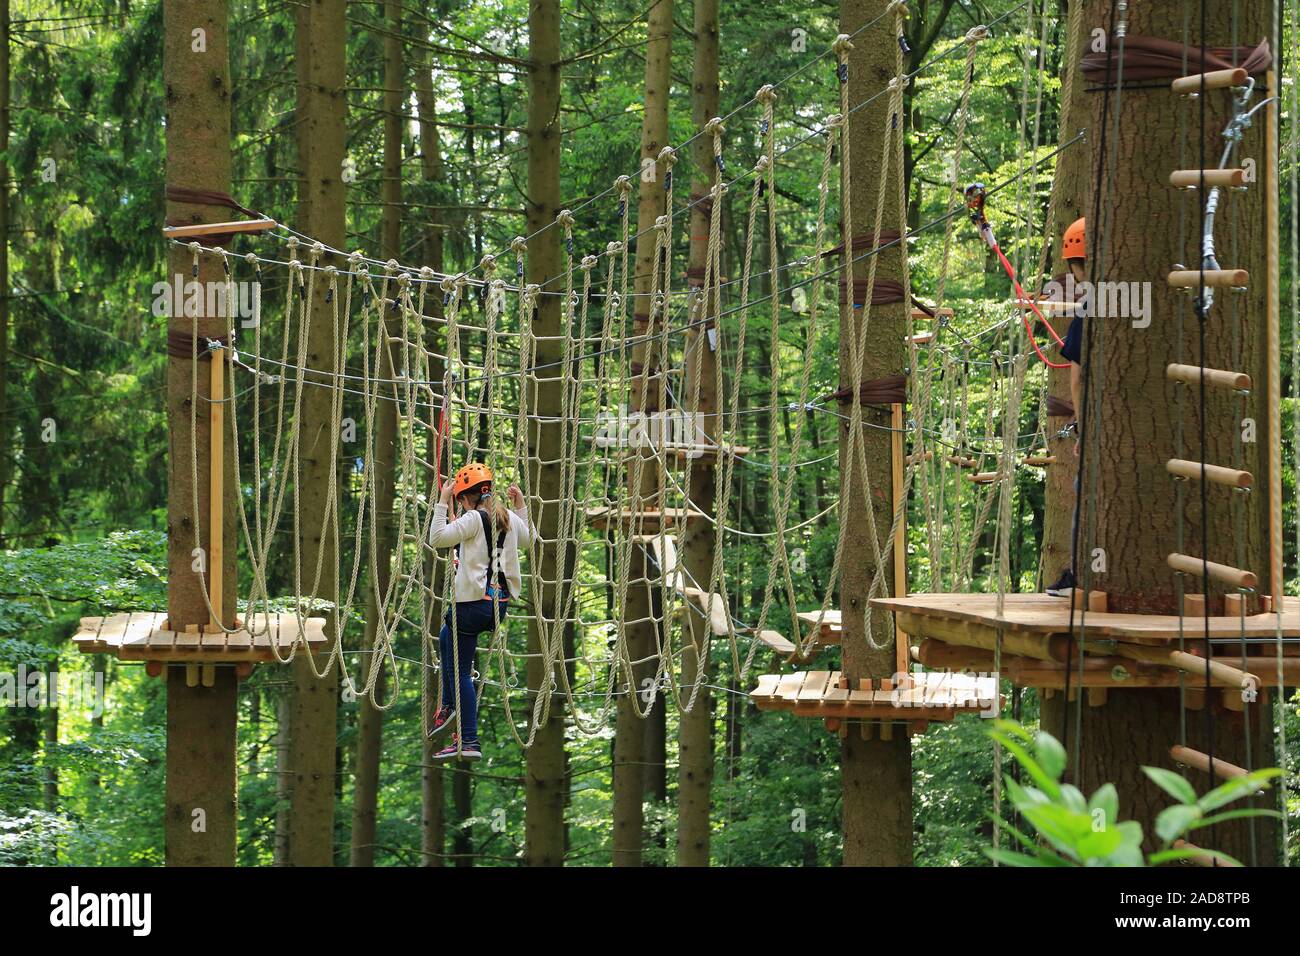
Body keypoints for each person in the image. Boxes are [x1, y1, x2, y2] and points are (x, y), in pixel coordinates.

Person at [426, 462, 534, 761]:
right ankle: (448, 705)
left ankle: (469, 739)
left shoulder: (473, 518)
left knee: (460, 671)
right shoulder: (508, 517)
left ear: (463, 498)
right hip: (497, 607)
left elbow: (436, 539)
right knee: (447, 635)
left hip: (472, 605)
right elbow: (529, 541)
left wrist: (441, 502)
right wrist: (522, 507)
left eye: (458, 500)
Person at [1044, 216, 1087, 598]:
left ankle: (1079, 574)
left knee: (1085, 490)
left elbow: (1077, 374)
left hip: (1102, 424)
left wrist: (1081, 423)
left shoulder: (1091, 307)